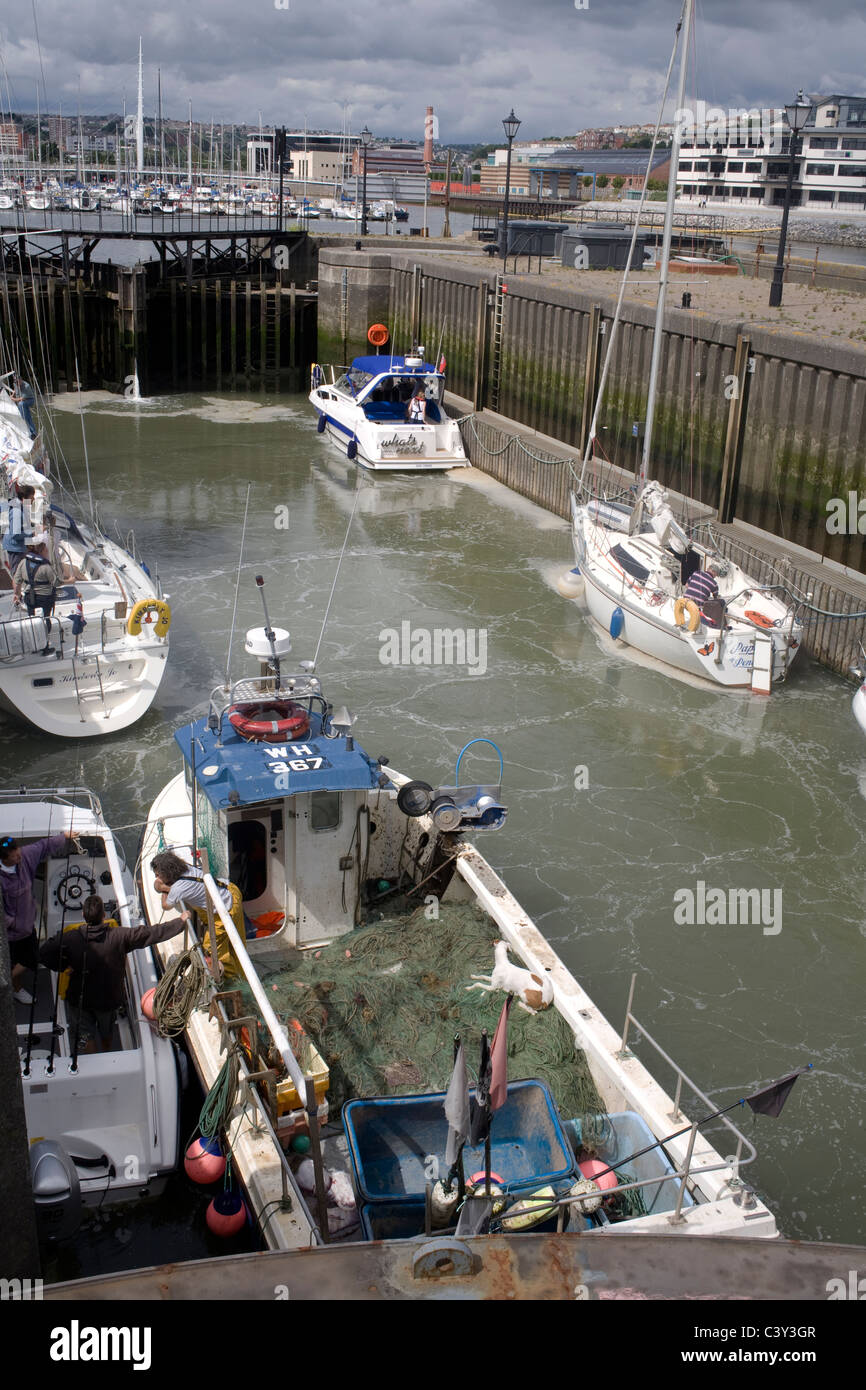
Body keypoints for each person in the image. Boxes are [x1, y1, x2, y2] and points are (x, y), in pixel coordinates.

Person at [39, 895, 186, 1053]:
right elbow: (151, 933)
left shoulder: (70, 938)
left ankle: (94, 1060)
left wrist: (62, 967)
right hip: (108, 1001)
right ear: (104, 916)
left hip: (79, 1000)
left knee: (84, 1036)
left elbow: (44, 952)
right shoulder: (120, 936)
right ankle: (107, 1050)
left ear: (83, 915)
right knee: (106, 1031)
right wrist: (180, 922)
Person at [1, 829, 78, 1003]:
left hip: (27, 927)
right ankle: (14, 988)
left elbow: (43, 846)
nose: (19, 858)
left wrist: (63, 837)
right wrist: (12, 922)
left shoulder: (25, 855)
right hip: (10, 932)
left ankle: (10, 984)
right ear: (4, 859)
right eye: (14, 857)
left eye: (19, 853)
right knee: (15, 962)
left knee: (30, 959)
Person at [150, 851, 246, 977]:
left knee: (213, 949)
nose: (157, 877)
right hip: (230, 891)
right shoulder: (185, 866)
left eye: (158, 875)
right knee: (237, 942)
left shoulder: (178, 888)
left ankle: (232, 978)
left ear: (167, 874)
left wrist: (162, 888)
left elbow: (166, 906)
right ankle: (243, 971)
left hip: (226, 911)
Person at [12, 531, 59, 655]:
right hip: (45, 598)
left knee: (32, 621)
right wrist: (71, 580)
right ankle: (44, 647)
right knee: (45, 620)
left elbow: (16, 581)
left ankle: (34, 646)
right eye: (46, 551)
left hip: (29, 598)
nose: (47, 552)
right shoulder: (46, 567)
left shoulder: (23, 563)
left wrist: (16, 595)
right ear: (41, 551)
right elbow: (56, 582)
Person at [3, 483, 37, 577]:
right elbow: (16, 534)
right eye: (32, 496)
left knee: (21, 572)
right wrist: (32, 533)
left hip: (19, 546)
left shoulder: (22, 507)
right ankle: (16, 591)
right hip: (14, 548)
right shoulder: (16, 511)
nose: (33, 499)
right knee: (16, 574)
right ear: (24, 497)